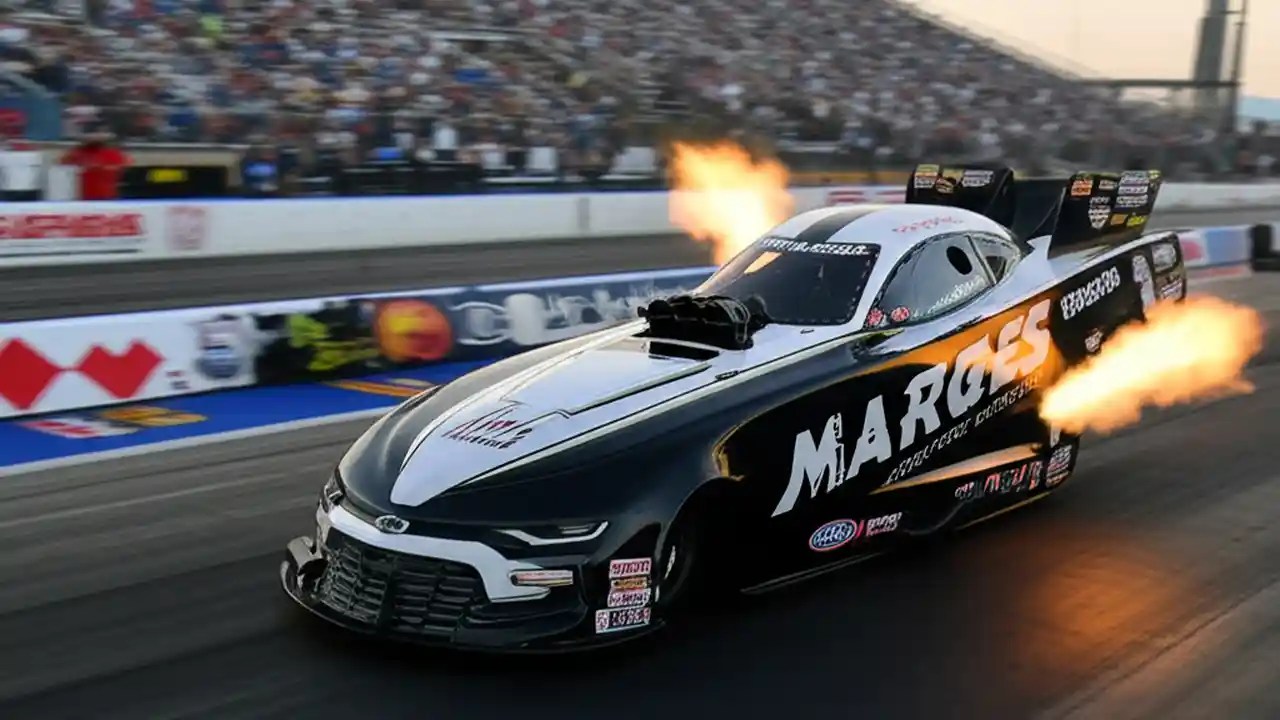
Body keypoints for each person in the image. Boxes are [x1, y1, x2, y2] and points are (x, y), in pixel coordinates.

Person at [59, 130, 131, 200]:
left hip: (107, 197)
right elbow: (63, 168)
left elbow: (123, 169)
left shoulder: (113, 154)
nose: (94, 138)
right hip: (81, 197)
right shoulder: (76, 154)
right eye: (91, 136)